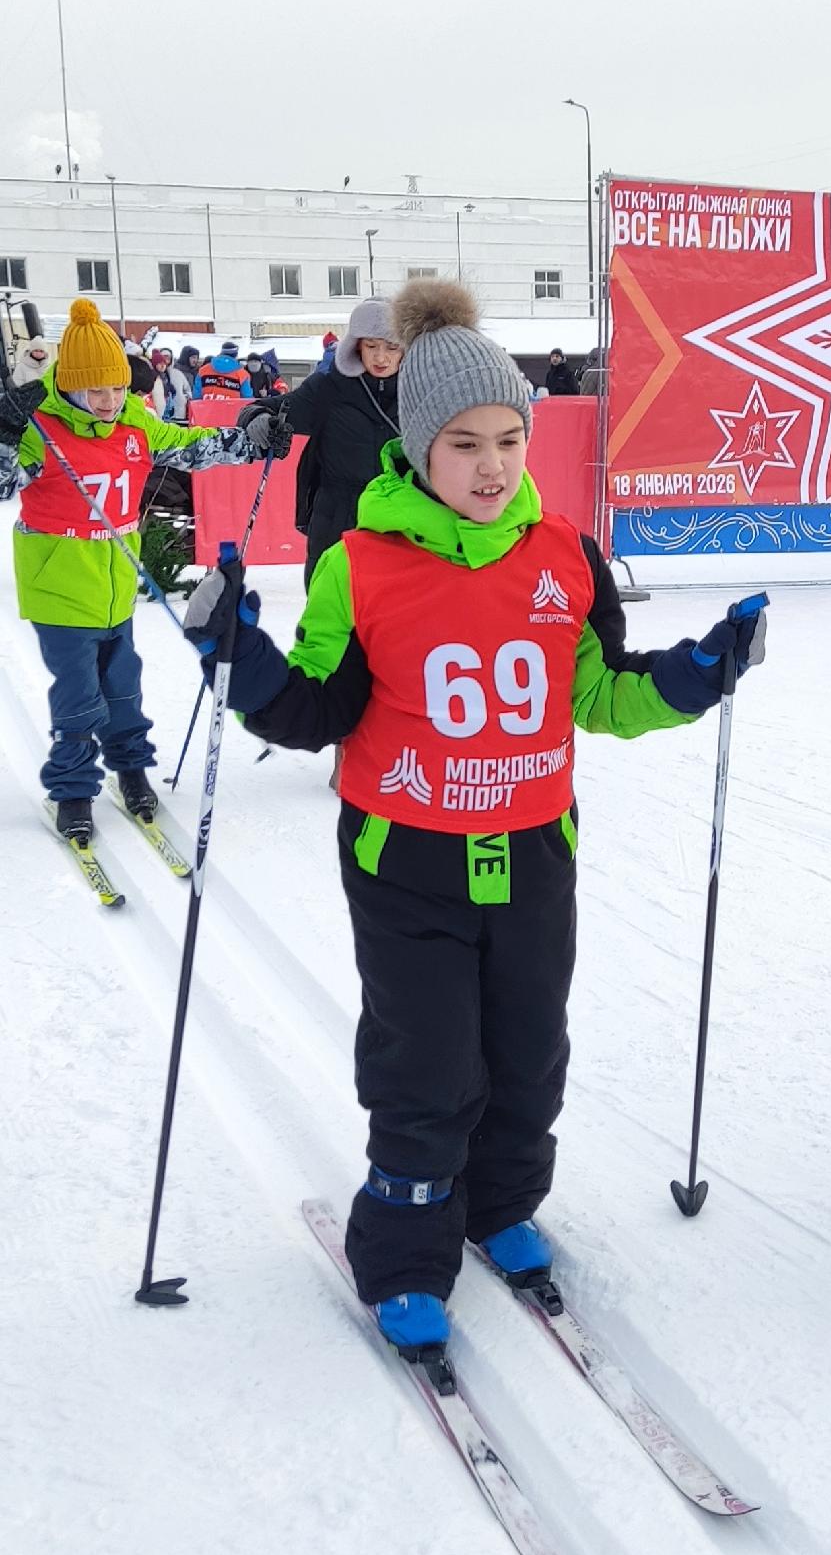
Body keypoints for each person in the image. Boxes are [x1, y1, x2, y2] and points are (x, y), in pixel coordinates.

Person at [181, 279, 767, 1355]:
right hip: (407, 858)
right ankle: (404, 1250)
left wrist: (695, 675)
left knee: (530, 1049)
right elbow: (320, 708)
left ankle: (499, 1205)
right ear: (417, 447)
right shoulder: (360, 567)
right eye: (465, 443)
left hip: (536, 853)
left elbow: (598, 693)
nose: (494, 466)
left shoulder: (565, 556)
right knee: (428, 1061)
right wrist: (242, 656)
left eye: (509, 438)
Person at [0, 299, 290, 849]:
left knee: (123, 689)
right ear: (68, 385)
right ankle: (72, 788)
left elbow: (189, 448)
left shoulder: (133, 421)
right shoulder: (43, 429)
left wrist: (250, 436)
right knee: (81, 696)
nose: (109, 402)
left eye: (116, 389)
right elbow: (3, 485)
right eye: (96, 392)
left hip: (116, 587)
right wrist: (7, 433)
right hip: (60, 586)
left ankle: (129, 768)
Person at [282, 298, 405, 584]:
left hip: (400, 520)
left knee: (395, 618)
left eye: (391, 347)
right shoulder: (329, 387)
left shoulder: (422, 391)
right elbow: (277, 411)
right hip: (336, 517)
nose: (381, 357)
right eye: (372, 346)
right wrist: (259, 418)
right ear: (356, 345)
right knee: (328, 614)